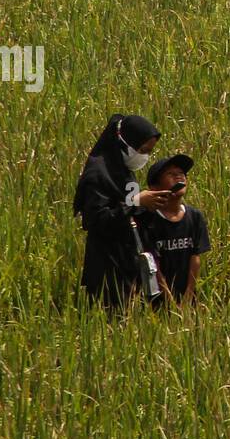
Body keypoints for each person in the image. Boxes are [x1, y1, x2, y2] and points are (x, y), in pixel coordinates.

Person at [73, 114, 170, 308]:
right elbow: (97, 220)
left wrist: (149, 205)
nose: (145, 157)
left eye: (149, 152)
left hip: (129, 260)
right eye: (142, 150)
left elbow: (131, 211)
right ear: (125, 143)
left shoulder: (126, 172)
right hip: (106, 266)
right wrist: (136, 202)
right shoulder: (98, 173)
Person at [142, 154, 210, 306]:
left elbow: (195, 258)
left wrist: (188, 296)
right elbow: (153, 264)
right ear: (155, 188)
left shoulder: (195, 216)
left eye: (181, 174)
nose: (179, 177)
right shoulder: (148, 220)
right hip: (157, 301)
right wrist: (170, 302)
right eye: (171, 174)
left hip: (188, 299)